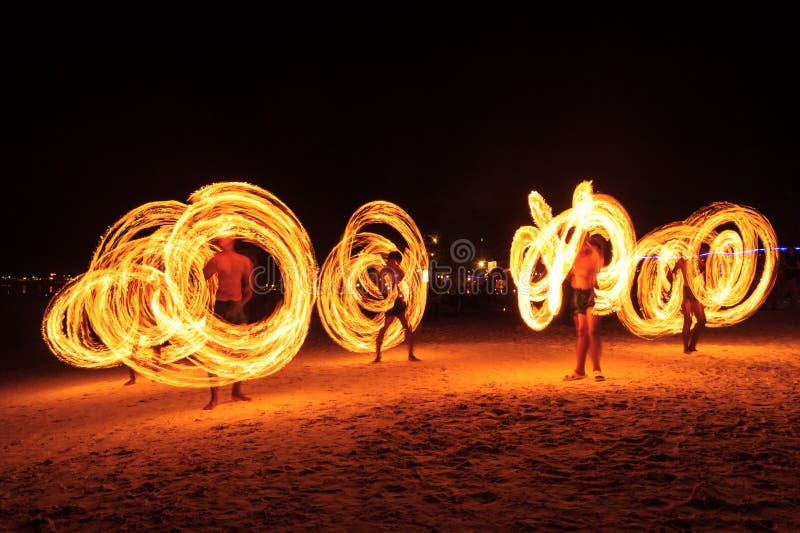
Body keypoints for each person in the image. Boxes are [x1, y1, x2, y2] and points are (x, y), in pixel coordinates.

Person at [202, 236, 254, 410]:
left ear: (231, 239)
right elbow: (201, 280)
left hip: (238, 309)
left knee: (241, 352)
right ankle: (214, 398)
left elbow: (249, 291)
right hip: (220, 308)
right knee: (214, 356)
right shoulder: (215, 260)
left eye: (223, 237)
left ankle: (236, 391)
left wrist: (240, 304)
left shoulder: (244, 261)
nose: (219, 239)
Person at [563, 234, 605, 382]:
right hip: (577, 294)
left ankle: (597, 369)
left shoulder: (594, 251)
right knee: (581, 332)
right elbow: (566, 273)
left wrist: (595, 291)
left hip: (592, 293)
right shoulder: (572, 253)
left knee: (593, 331)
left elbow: (599, 272)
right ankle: (580, 370)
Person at [374, 250, 421, 363]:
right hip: (391, 303)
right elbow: (381, 285)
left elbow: (396, 283)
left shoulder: (397, 270)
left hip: (398, 302)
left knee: (407, 327)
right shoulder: (386, 270)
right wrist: (382, 286)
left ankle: (410, 354)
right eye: (389, 260)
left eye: (391, 260)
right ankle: (378, 356)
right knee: (385, 328)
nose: (389, 262)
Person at [670, 245, 708, 354]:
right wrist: (671, 283)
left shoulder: (696, 261)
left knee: (702, 320)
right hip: (686, 291)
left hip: (695, 292)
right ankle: (686, 348)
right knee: (688, 320)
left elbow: (699, 274)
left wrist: (702, 265)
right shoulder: (682, 261)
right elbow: (673, 272)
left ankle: (692, 346)